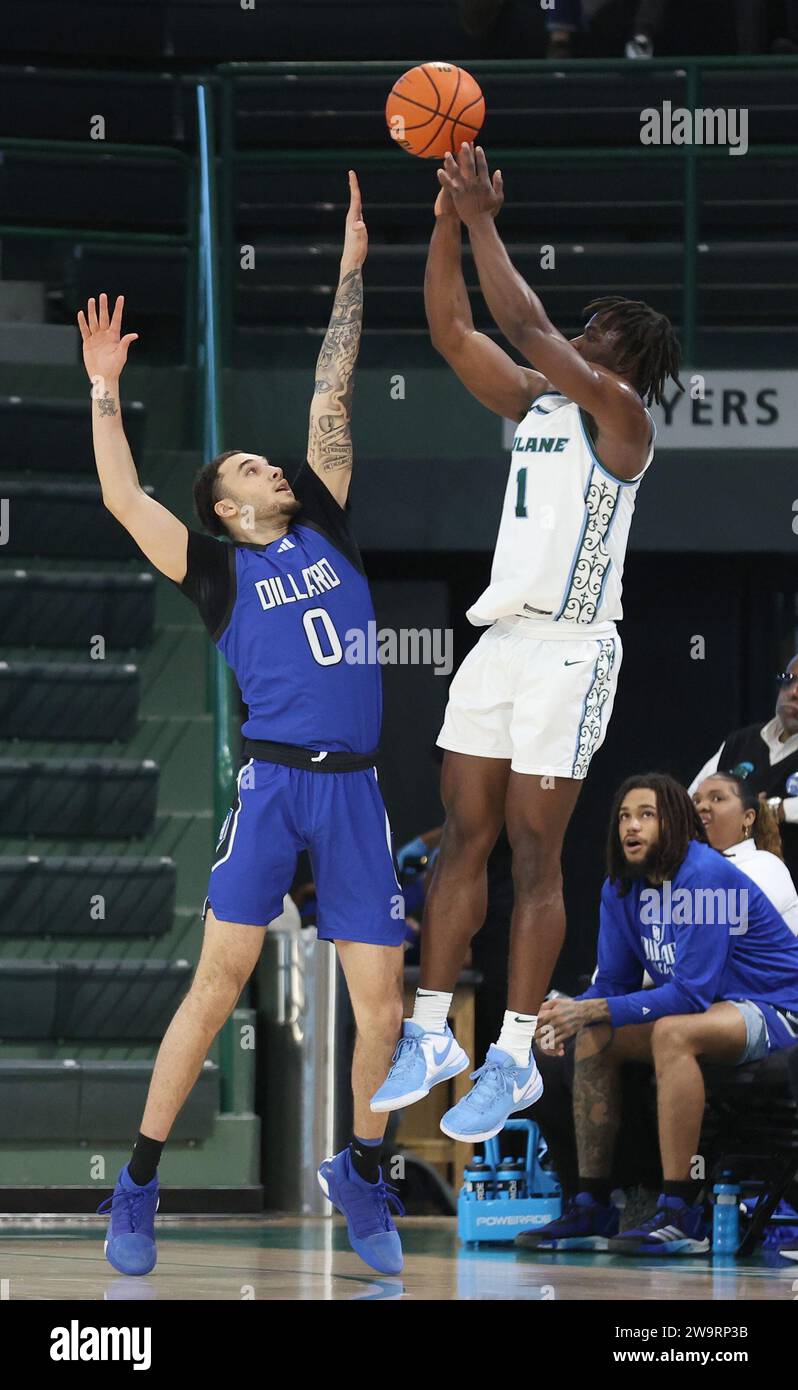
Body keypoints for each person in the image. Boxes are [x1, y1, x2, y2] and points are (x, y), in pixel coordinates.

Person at [84, 172, 407, 1279]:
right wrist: (103, 392)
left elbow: (334, 388)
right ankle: (136, 1185)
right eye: (253, 467)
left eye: (276, 463)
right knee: (215, 982)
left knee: (386, 1000)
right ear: (225, 503)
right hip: (274, 785)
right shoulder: (217, 571)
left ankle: (362, 1164)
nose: (277, 464)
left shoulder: (332, 526)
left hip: (356, 785)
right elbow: (128, 503)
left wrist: (353, 266)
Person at [371, 143, 682, 1143]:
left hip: (573, 651)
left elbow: (526, 321)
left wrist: (486, 217)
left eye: (598, 330)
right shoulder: (538, 403)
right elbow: (456, 326)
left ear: (623, 353)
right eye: (581, 325)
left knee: (536, 853)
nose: (579, 334)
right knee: (463, 836)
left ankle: (513, 1055)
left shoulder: (623, 418)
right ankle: (433, 1031)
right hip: (502, 640)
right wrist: (444, 223)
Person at [515, 773, 798, 1256]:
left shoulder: (705, 877)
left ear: (674, 823)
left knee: (671, 1033)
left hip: (777, 1007)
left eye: (647, 815)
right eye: (625, 816)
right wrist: (573, 1013)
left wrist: (593, 1007)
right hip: (718, 1010)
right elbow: (614, 985)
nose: (632, 826)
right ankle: (592, 1202)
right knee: (595, 1035)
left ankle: (680, 1210)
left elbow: (690, 995)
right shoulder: (621, 889)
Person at [688, 653, 798, 884]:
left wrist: (776, 810)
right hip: (726, 883)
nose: (793, 692)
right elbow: (690, 800)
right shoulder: (742, 741)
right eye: (789, 680)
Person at [693, 771, 798, 934]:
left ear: (748, 817)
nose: (701, 806)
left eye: (717, 798)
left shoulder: (764, 866)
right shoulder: (691, 867)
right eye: (696, 800)